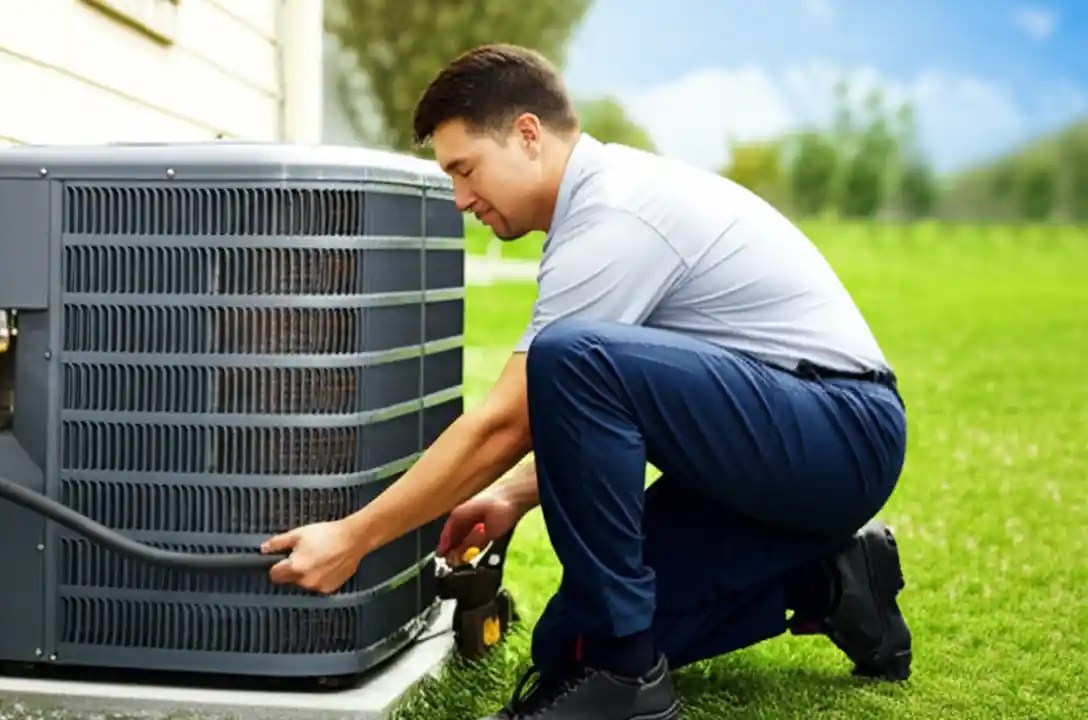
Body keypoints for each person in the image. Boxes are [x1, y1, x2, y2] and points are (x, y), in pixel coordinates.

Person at [260, 43, 911, 720]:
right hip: (775, 448)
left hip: (842, 431)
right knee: (569, 644)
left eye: (466, 170)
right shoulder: (595, 209)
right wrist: (511, 496)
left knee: (570, 359)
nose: (460, 199)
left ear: (528, 135)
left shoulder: (615, 214)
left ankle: (625, 678)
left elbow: (510, 421)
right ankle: (831, 581)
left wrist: (354, 538)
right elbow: (610, 412)